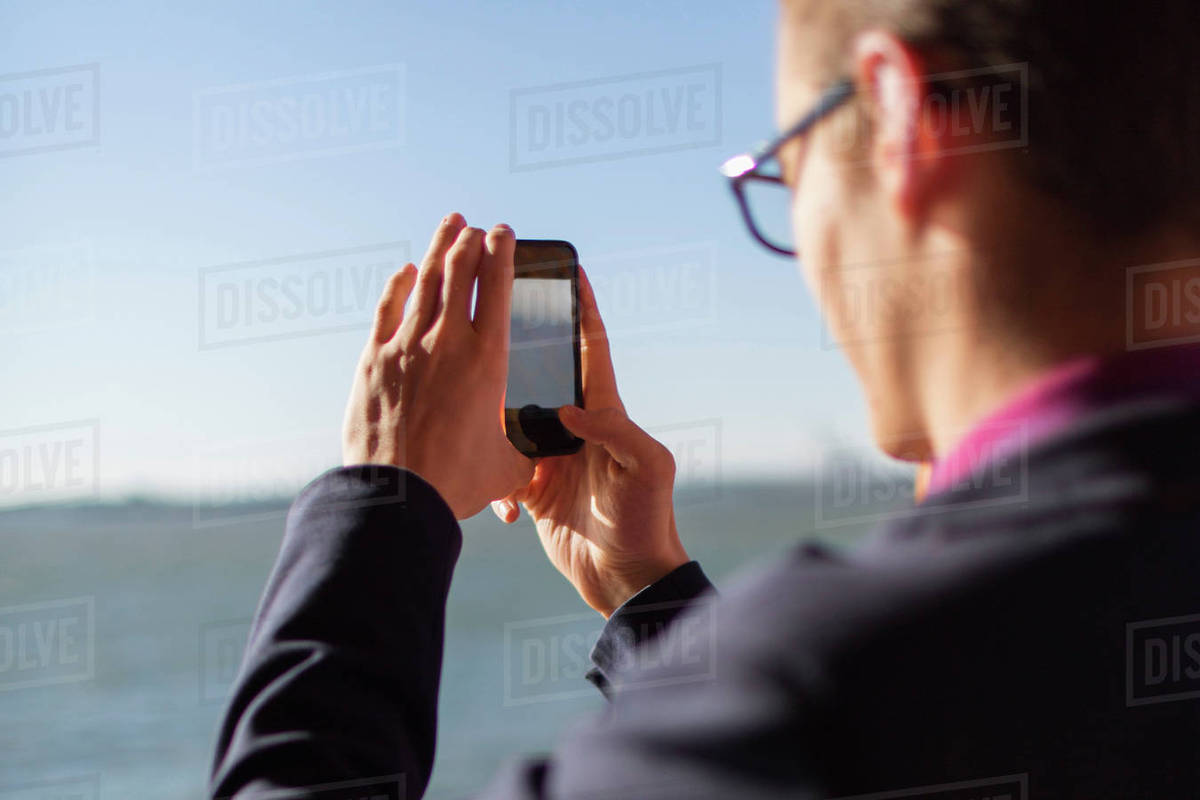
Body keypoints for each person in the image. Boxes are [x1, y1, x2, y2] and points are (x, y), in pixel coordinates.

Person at [209, 1, 1200, 797]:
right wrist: (654, 598)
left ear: (899, 122)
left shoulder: (822, 693)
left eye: (785, 173)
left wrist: (379, 509)